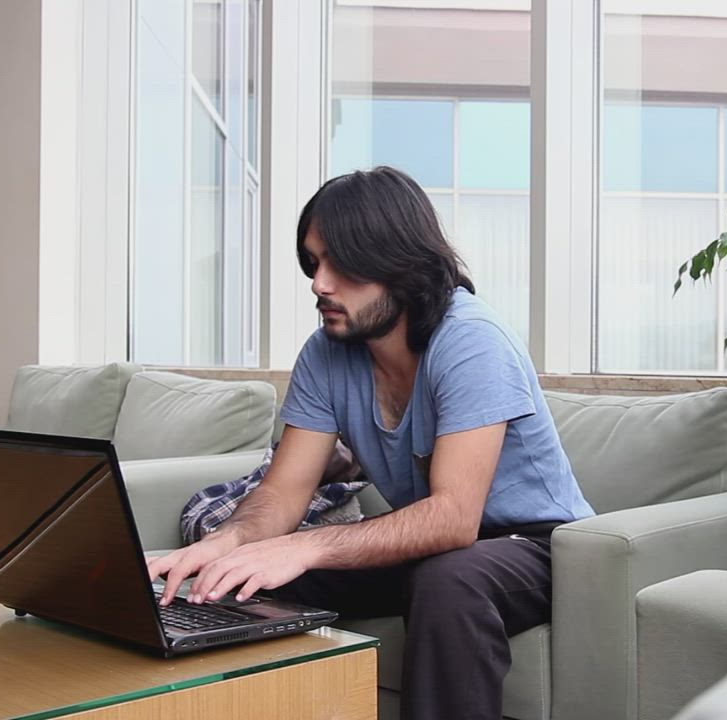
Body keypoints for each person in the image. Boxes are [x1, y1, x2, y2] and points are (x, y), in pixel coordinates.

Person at [147, 165, 595, 720]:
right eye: (314, 262)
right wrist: (228, 544)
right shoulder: (326, 353)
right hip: (432, 547)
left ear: (400, 264)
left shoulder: (472, 342)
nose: (319, 284)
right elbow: (284, 493)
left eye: (342, 264)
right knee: (238, 581)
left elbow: (454, 518)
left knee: (448, 579)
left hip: (538, 548)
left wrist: (306, 544)